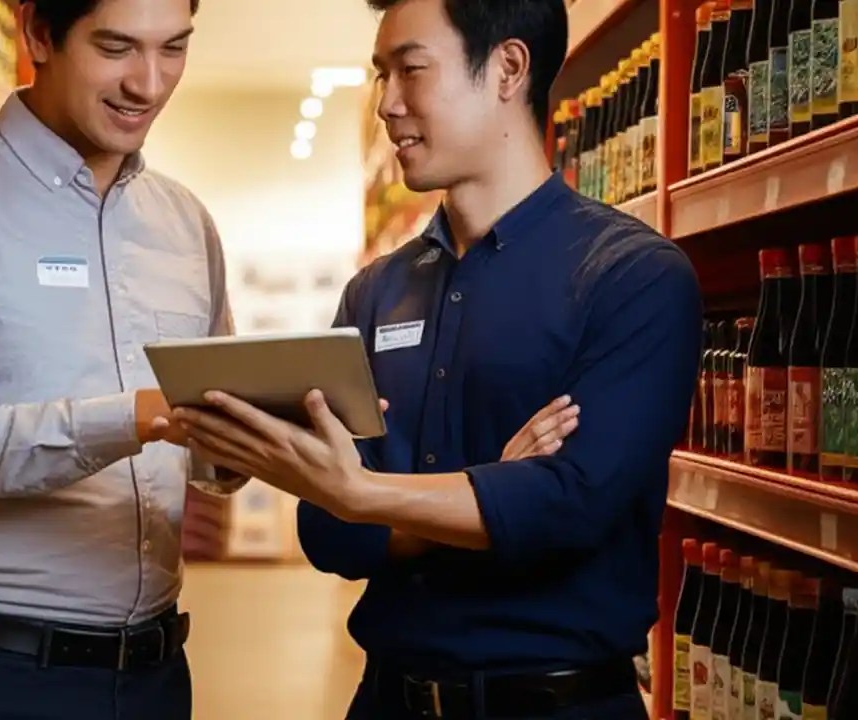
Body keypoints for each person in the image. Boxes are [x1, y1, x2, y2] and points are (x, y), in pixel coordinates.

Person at [173, 0, 703, 718]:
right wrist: (484, 497)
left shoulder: (635, 278)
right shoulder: (375, 293)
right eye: (380, 75)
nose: (388, 104)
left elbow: (571, 507)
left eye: (411, 71)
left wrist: (367, 494)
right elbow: (327, 535)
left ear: (508, 70)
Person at [0, 0, 242, 717]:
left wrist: (268, 433)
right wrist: (134, 418)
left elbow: (208, 460)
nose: (149, 84)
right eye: (117, 47)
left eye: (174, 48)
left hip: (157, 673)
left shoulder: (186, 223)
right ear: (37, 33)